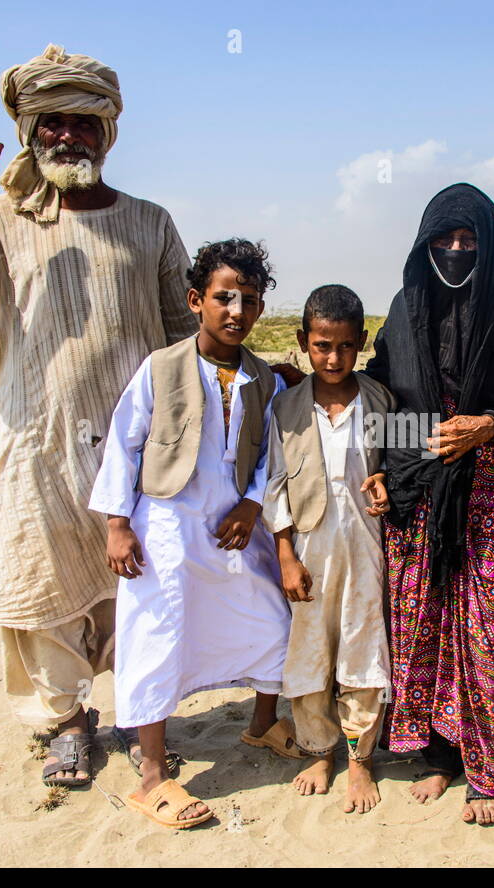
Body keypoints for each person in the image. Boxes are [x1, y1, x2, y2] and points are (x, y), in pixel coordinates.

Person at [0, 44, 196, 787]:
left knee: (141, 587)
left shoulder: (149, 223)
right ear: (30, 132)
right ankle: (68, 723)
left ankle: (137, 714)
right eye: (52, 123)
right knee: (43, 589)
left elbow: (183, 333)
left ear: (106, 133)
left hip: (135, 446)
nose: (68, 137)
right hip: (34, 443)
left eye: (84, 123)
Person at [366, 183, 494, 825]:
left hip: (493, 493)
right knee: (423, 625)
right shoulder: (404, 307)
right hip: (421, 494)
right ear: (425, 244)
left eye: (468, 240)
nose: (454, 250)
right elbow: (388, 403)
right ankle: (440, 755)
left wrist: (488, 424)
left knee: (486, 632)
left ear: (489, 245)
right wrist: (384, 467)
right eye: (443, 240)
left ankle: (487, 765)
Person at [89, 239, 295, 828]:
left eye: (249, 301)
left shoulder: (265, 380)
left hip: (233, 528)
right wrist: (117, 524)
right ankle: (152, 779)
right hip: (166, 528)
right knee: (157, 636)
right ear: (194, 301)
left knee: (268, 621)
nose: (236, 311)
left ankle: (262, 725)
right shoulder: (160, 367)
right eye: (223, 298)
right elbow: (124, 445)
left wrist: (253, 507)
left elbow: (271, 457)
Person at [262, 284, 394, 814]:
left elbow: (393, 468)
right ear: (303, 343)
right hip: (310, 549)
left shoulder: (381, 400)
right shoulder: (286, 407)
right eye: (321, 346)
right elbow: (273, 484)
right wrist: (286, 555)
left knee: (364, 644)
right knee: (310, 647)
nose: (333, 358)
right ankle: (318, 748)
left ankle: (360, 757)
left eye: (344, 346)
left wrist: (387, 482)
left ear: (362, 342)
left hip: (366, 545)